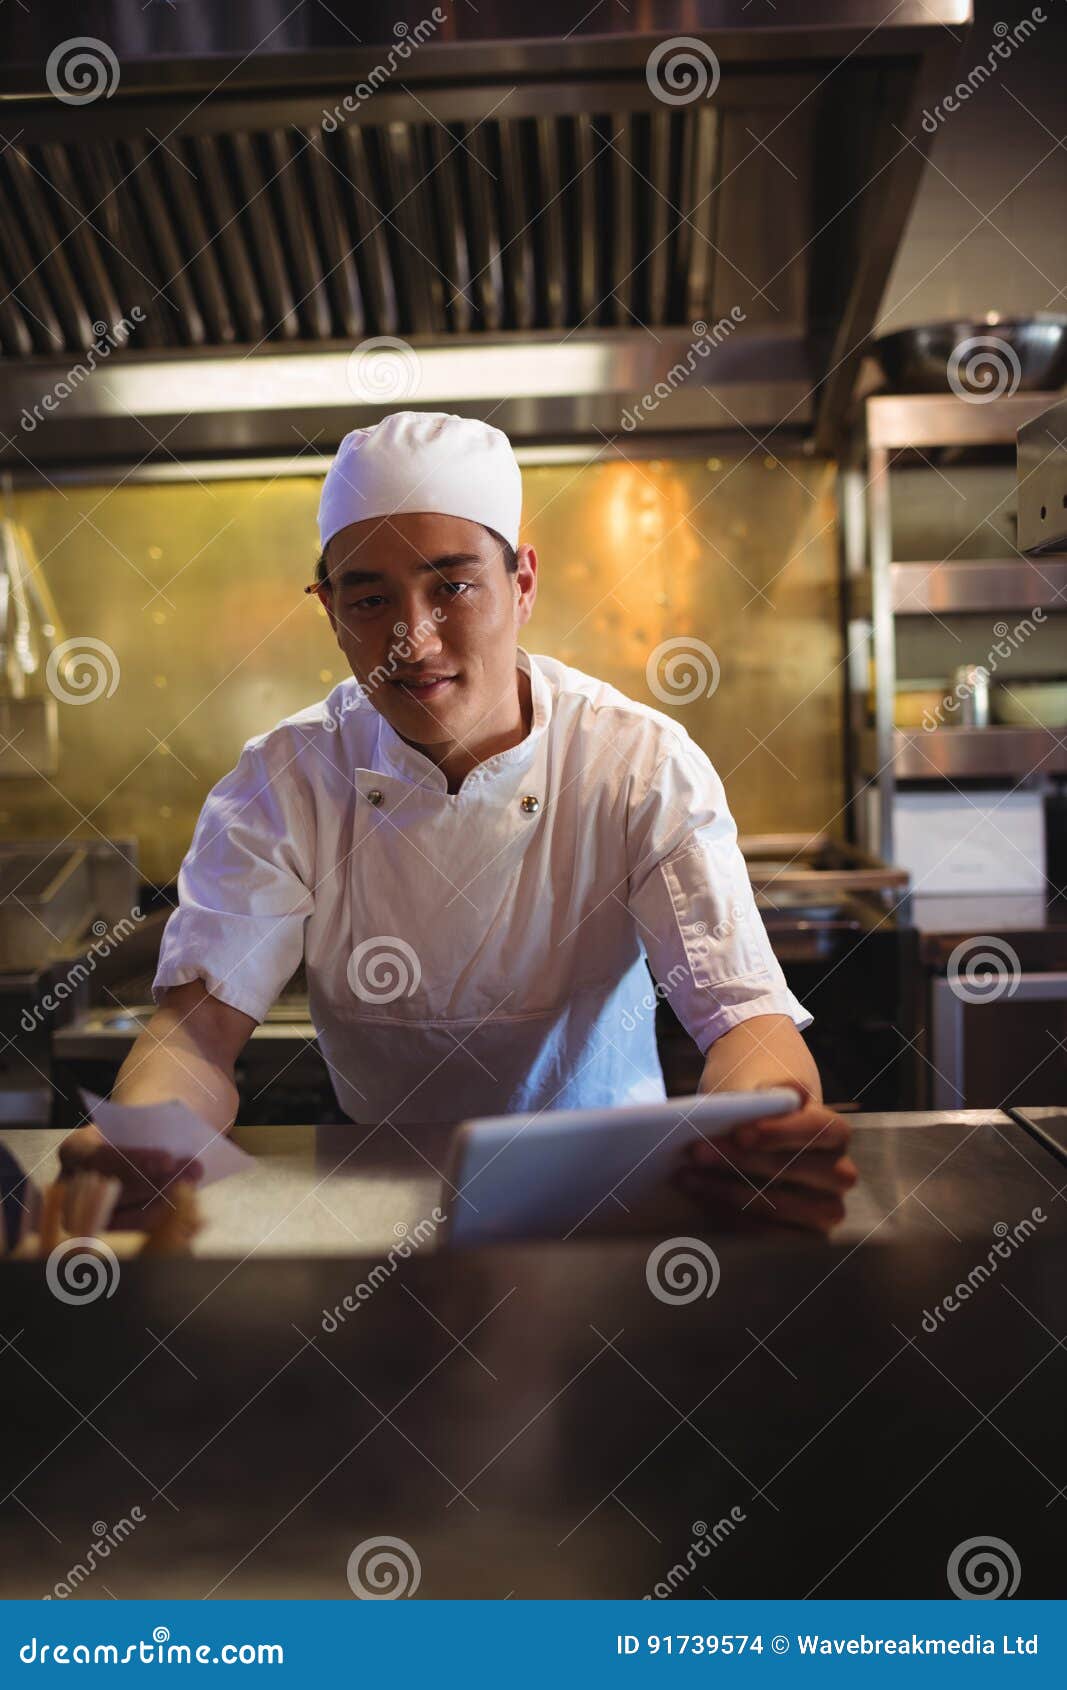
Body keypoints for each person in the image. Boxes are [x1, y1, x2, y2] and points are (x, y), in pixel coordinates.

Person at [61, 412, 856, 1232]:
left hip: (612, 1199)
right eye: (370, 598)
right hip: (377, 1203)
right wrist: (142, 1135)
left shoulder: (636, 763)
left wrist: (767, 1127)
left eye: (452, 586)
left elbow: (742, 1017)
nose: (412, 640)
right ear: (330, 610)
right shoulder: (284, 781)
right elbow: (196, 1035)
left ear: (522, 584)